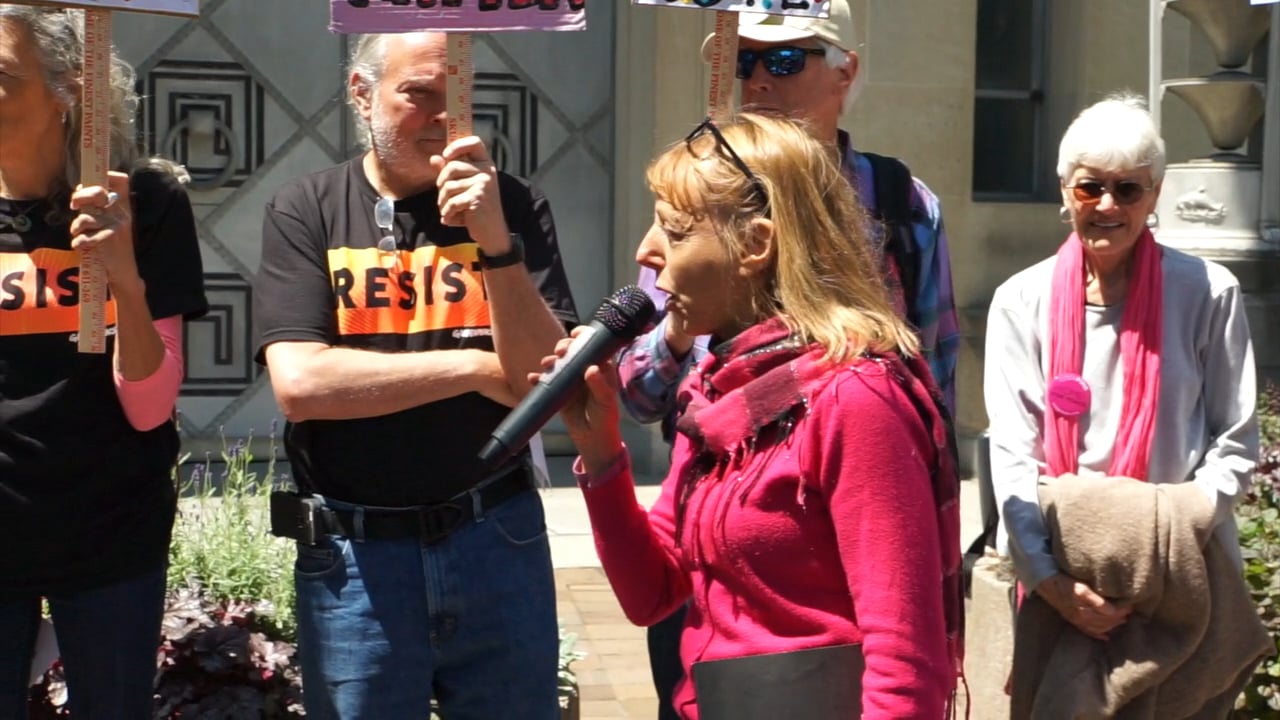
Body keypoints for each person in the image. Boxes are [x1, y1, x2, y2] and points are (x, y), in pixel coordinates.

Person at [552, 112, 962, 719]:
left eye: (675, 230)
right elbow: (653, 594)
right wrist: (601, 451)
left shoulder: (856, 399)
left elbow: (905, 667)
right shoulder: (717, 391)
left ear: (756, 244)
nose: (647, 252)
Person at [253, 30, 577, 720]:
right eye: (419, 94)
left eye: (459, 97)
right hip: (355, 556)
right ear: (361, 93)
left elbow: (543, 386)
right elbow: (302, 386)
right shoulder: (306, 208)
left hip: (496, 537)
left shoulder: (512, 204)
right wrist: (472, 368)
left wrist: (495, 245)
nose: (443, 117)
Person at [986, 94, 1258, 653]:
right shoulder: (1020, 299)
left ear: (1155, 195)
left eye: (1128, 189)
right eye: (1091, 187)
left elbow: (1235, 440)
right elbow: (1013, 455)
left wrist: (1166, 532)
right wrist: (1050, 580)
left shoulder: (1209, 292)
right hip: (1062, 572)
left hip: (1180, 569)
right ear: (1066, 190)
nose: (1107, 205)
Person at [0, 6, 208, 718]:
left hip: (110, 532)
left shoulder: (141, 203)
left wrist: (123, 278)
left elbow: (150, 407)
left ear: (67, 89)